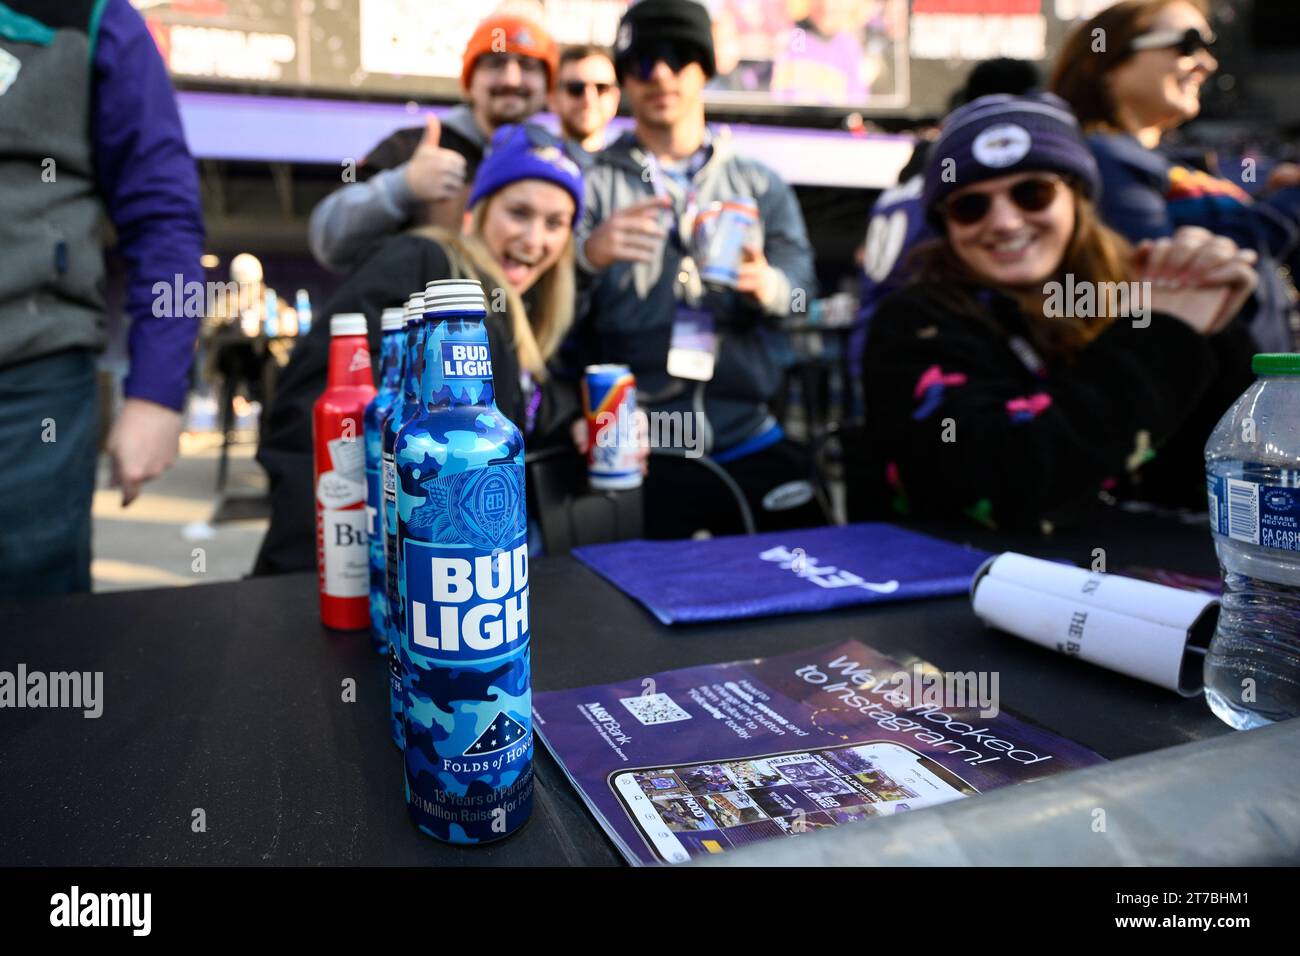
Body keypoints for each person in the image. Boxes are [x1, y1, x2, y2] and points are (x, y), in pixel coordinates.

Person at [852, 94, 1259, 532]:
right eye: (970, 206)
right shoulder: (916, 320)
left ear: (1077, 199)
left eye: (1032, 193)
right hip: (969, 588)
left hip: (1162, 582)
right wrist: (1164, 333)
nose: (1005, 222)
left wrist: (1215, 327)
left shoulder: (1143, 290)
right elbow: (999, 479)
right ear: (946, 226)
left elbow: (1235, 467)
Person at [254, 124, 584, 574]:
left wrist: (585, 421)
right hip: (386, 579)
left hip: (476, 581)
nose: (534, 239)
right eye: (518, 212)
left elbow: (527, 411)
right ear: (479, 211)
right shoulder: (425, 262)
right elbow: (318, 404)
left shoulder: (520, 311)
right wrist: (306, 569)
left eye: (555, 223)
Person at [565, 0, 823, 538]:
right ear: (625, 80)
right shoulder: (587, 183)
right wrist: (586, 259)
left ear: (704, 67)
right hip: (638, 451)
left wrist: (769, 286)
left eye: (678, 57)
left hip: (749, 434)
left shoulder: (759, 181)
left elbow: (804, 292)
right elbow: (546, 322)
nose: (658, 74)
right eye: (641, 62)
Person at [0, 0, 204, 599]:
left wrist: (157, 391)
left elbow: (165, 218)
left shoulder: (92, 16)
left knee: (31, 638)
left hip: (25, 386)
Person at [1051, 0, 1300, 353]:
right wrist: (1288, 206)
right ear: (1106, 62)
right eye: (1187, 44)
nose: (1207, 64)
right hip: (1197, 395)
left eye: (1207, 47)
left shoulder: (1171, 160)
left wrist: (1273, 199)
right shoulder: (1100, 157)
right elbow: (1174, 281)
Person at [307, 12, 557, 273]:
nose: (511, 79)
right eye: (496, 64)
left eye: (528, 66)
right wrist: (403, 186)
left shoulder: (558, 162)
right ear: (470, 83)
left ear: (547, 88)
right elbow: (328, 240)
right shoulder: (411, 146)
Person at [851, 58, 1043, 378]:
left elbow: (863, 257)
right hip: (924, 349)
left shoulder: (893, 195)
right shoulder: (947, 197)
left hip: (874, 342)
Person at [552, 45, 621, 157]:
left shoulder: (638, 169)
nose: (589, 99)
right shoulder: (531, 166)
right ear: (553, 98)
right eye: (576, 88)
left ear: (615, 98)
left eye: (601, 88)